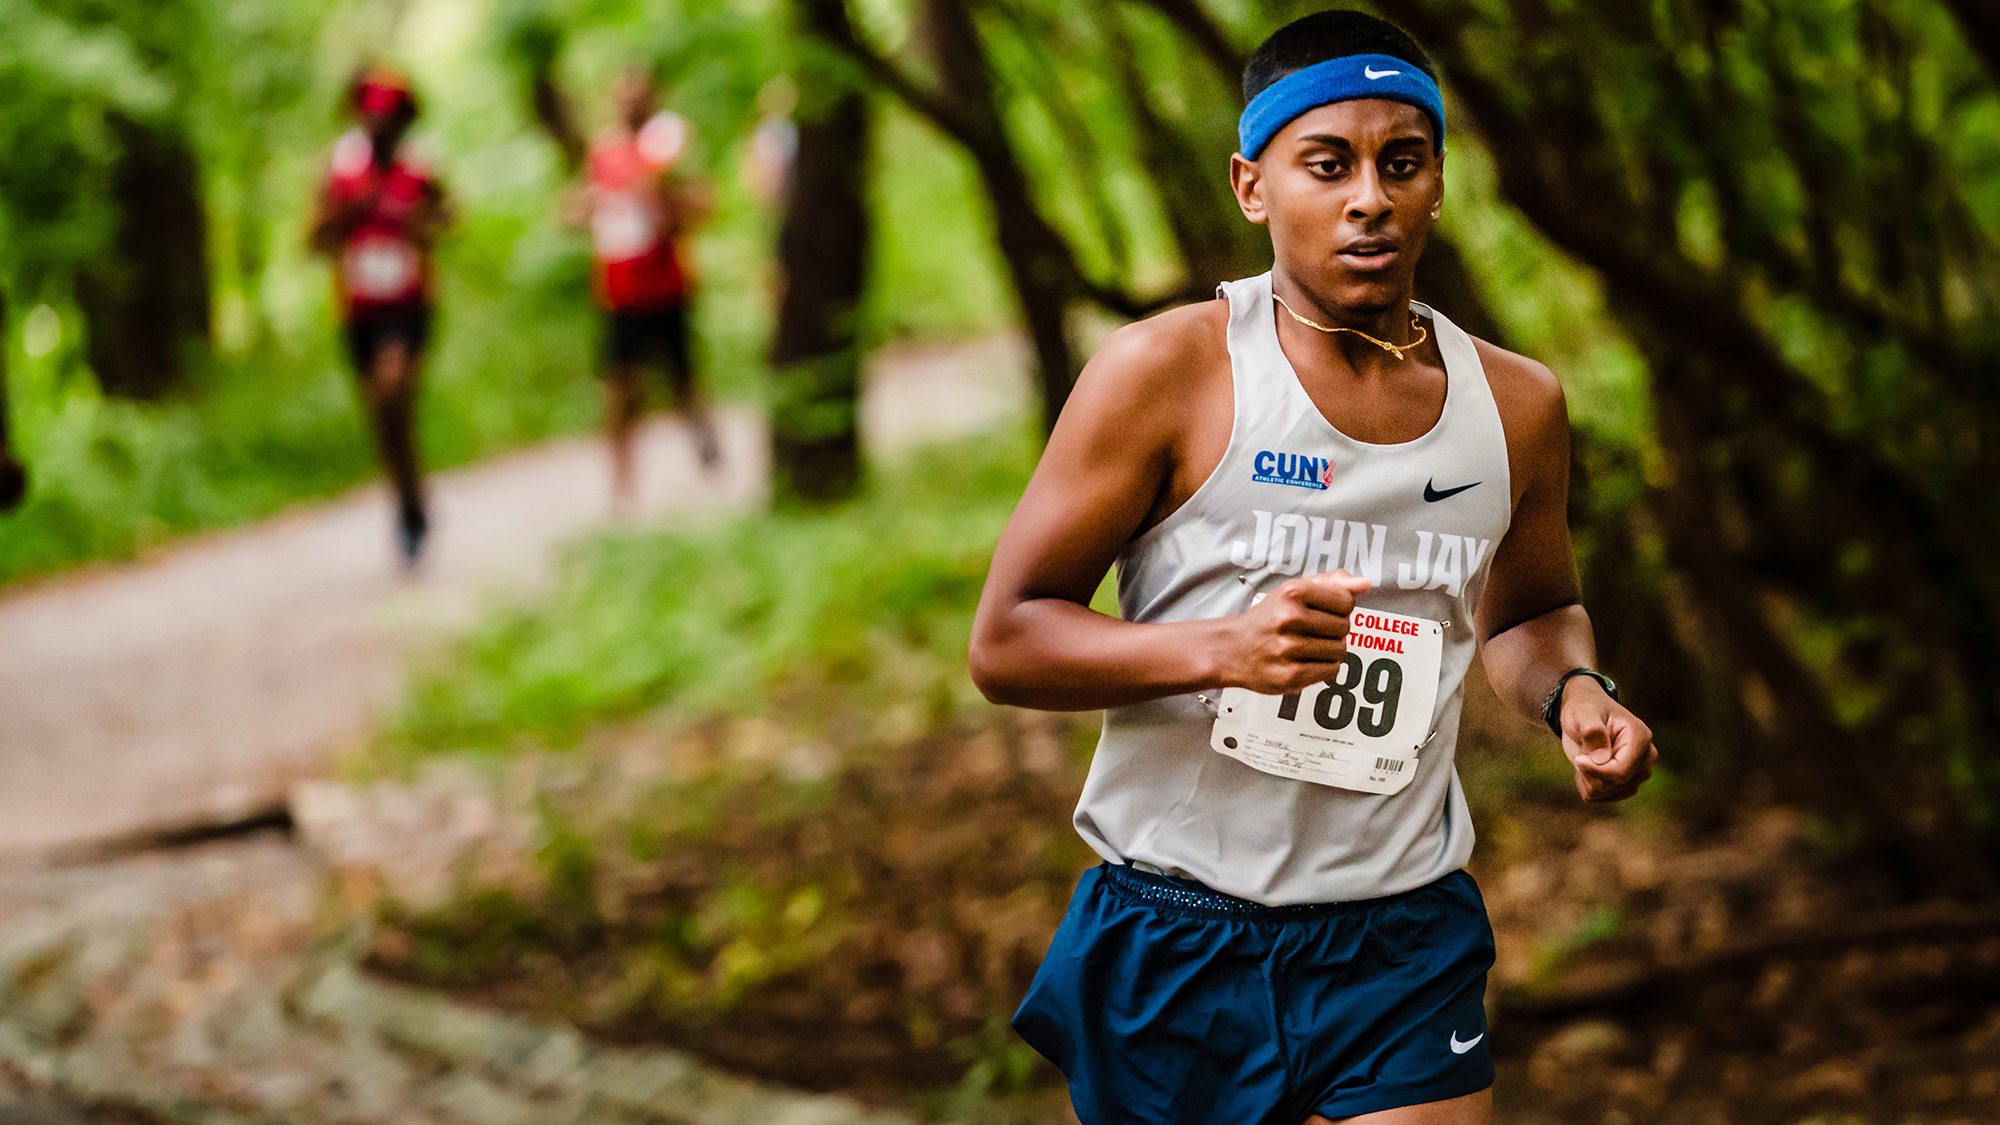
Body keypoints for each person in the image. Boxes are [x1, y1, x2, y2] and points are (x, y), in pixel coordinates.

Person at [967, 11, 1657, 1125]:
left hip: (1398, 936)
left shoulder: (1516, 406)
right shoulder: (1168, 372)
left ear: (1438, 181)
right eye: (1325, 165)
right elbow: (1006, 641)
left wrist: (1573, 693)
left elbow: (1530, 613)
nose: (1367, 198)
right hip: (1176, 934)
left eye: (1402, 162)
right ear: (1252, 186)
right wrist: (1216, 650)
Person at [310, 65, 450, 565]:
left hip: (409, 305)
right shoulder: (340, 167)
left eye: (388, 116)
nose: (378, 124)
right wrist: (352, 211)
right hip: (359, 310)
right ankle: (408, 504)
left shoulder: (420, 166)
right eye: (369, 114)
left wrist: (414, 221)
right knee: (382, 416)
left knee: (395, 394)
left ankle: (412, 503)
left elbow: (448, 220)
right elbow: (315, 239)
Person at [577, 68, 719, 510]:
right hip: (618, 292)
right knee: (621, 389)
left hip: (668, 285)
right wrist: (586, 208)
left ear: (654, 100)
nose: (632, 105)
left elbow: (706, 204)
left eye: (640, 97)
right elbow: (579, 206)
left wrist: (664, 202)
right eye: (624, 97)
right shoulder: (603, 152)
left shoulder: (671, 146)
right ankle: (622, 486)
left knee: (682, 380)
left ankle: (702, 437)